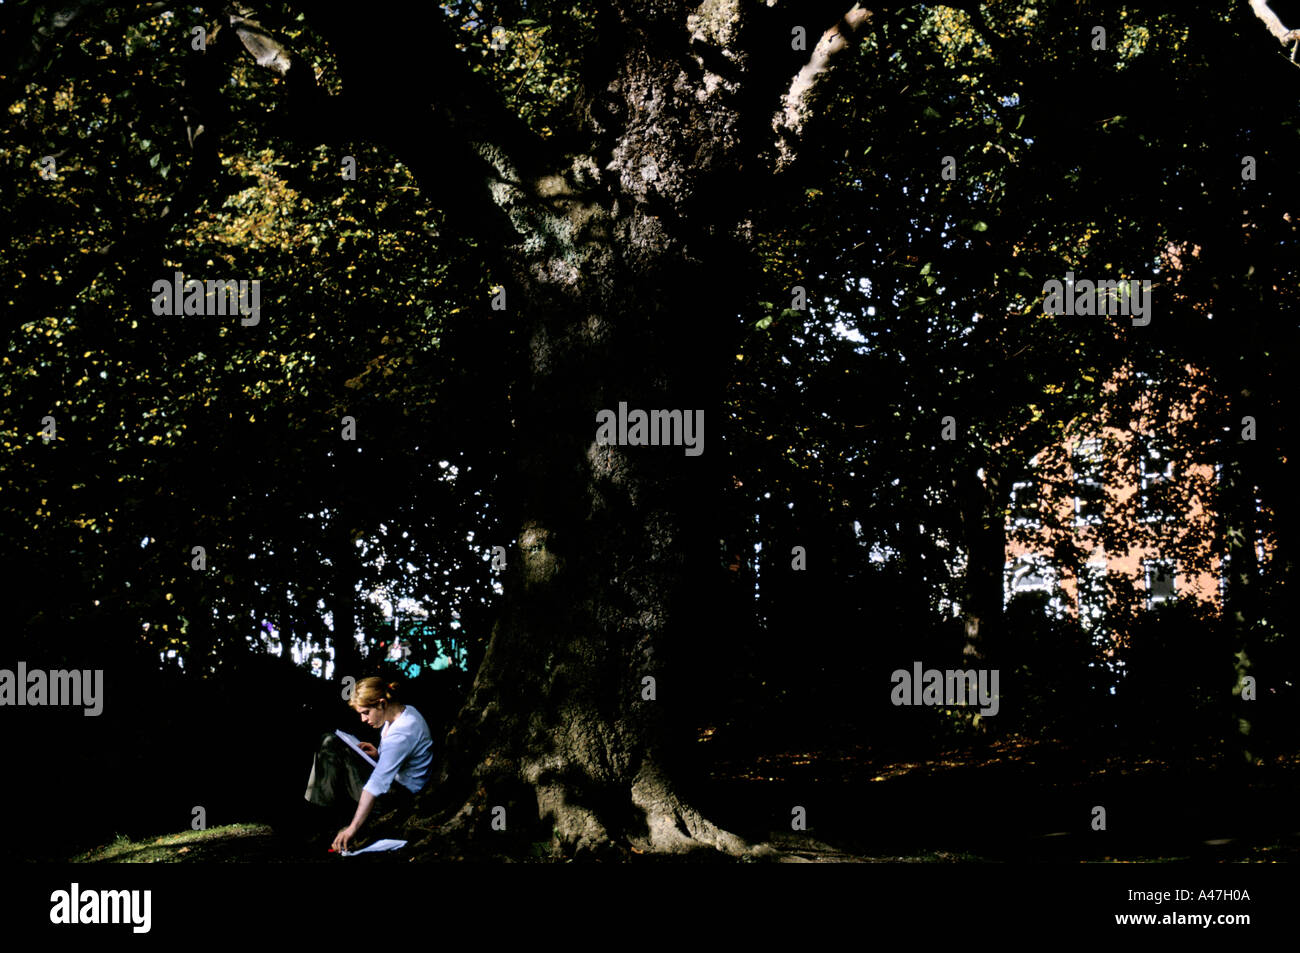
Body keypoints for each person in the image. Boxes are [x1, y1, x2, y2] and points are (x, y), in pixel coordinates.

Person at [302, 676, 434, 852]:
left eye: (365, 712)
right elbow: (401, 757)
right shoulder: (404, 713)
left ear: (382, 703)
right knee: (330, 741)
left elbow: (377, 784)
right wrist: (379, 754)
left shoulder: (402, 732)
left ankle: (318, 821)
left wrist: (352, 829)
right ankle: (319, 819)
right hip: (397, 787)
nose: (363, 719)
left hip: (398, 798)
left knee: (330, 743)